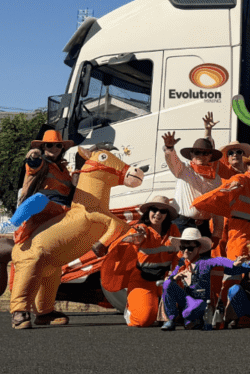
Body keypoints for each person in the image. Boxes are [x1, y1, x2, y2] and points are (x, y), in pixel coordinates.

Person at [95, 195, 178, 327]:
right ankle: (132, 309)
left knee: (183, 316)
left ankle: (158, 305)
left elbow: (178, 256)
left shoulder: (173, 230)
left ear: (167, 215)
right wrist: (135, 241)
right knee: (143, 320)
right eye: (154, 209)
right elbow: (120, 246)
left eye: (163, 211)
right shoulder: (140, 229)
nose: (158, 214)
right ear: (148, 212)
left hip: (165, 280)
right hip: (143, 279)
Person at [161, 115, 223, 219]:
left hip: (204, 225)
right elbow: (172, 159)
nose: (201, 156)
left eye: (205, 153)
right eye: (197, 152)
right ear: (191, 155)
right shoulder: (184, 168)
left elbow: (217, 206)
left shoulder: (216, 178)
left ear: (210, 156)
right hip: (182, 222)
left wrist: (217, 232)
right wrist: (169, 147)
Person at [159, 227, 218, 330]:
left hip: (200, 302)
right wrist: (174, 277)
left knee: (192, 312)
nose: (186, 251)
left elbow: (225, 264)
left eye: (190, 248)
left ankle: (191, 319)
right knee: (167, 283)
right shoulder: (179, 262)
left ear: (198, 248)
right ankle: (171, 320)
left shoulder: (206, 262)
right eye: (183, 247)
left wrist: (239, 264)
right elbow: (169, 280)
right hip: (185, 300)